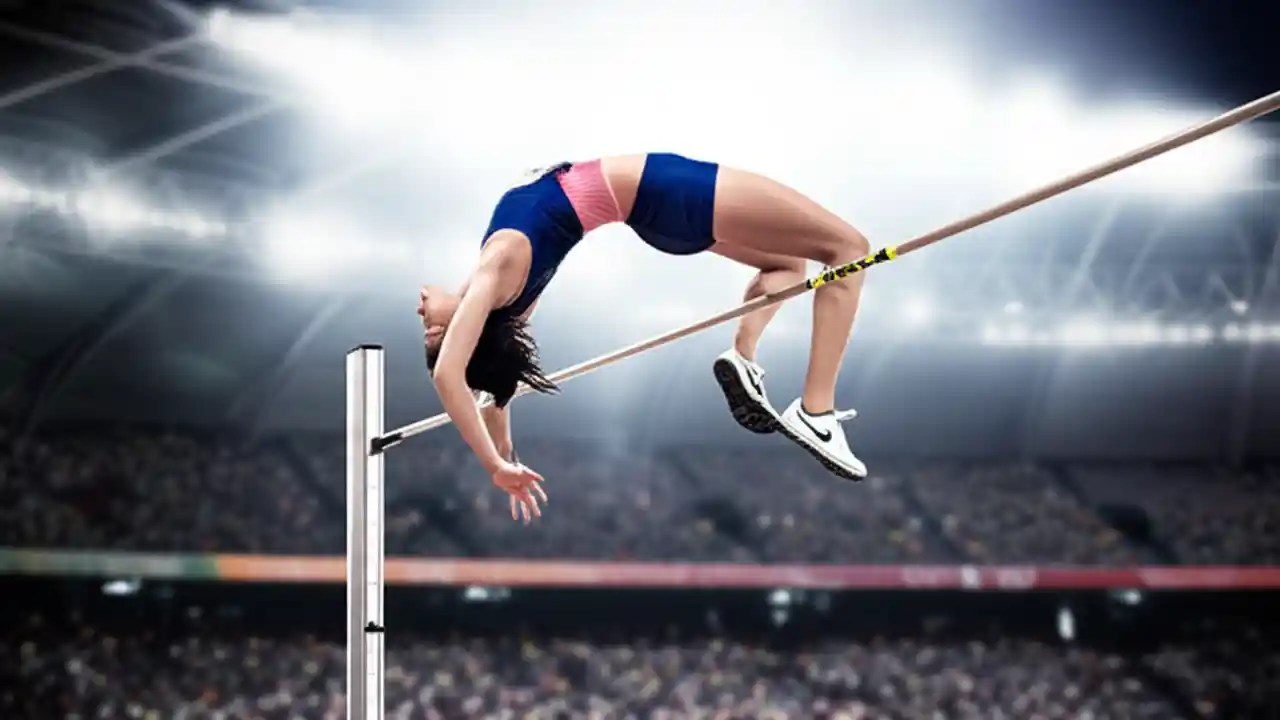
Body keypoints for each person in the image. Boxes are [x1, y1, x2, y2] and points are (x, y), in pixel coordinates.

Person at [418, 153, 871, 523]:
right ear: (462, 330)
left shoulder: (511, 305)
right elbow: (449, 376)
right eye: (432, 330)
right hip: (664, 191)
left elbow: (496, 393)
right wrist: (495, 467)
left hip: (656, 214)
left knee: (788, 266)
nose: (421, 309)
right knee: (849, 248)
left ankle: (744, 356)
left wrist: (507, 455)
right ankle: (817, 410)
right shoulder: (495, 268)